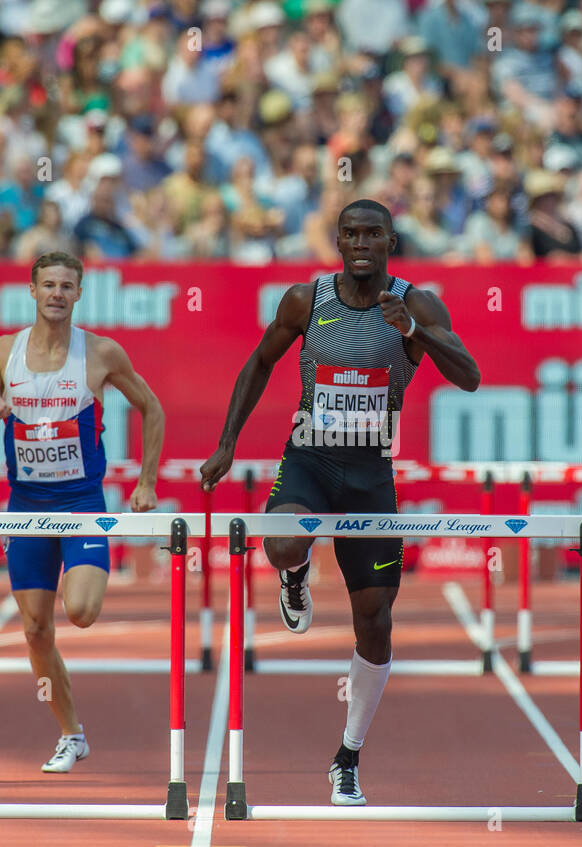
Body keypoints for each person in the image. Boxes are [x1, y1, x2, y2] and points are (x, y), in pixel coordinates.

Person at [200, 198, 480, 805]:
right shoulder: (306, 300)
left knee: (375, 622)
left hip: (371, 475)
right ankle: (294, 574)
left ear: (390, 241)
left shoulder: (417, 303)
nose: (360, 242)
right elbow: (259, 363)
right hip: (310, 460)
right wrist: (228, 444)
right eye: (350, 232)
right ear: (337, 240)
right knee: (283, 541)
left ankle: (347, 754)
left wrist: (415, 330)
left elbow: (469, 375)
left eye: (371, 233)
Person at [0, 251, 164, 772]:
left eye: (65, 286)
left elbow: (152, 408)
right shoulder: (5, 353)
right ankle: (71, 734)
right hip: (26, 507)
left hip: (81, 506)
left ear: (78, 294)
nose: (56, 293)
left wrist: (145, 482)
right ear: (32, 290)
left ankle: (73, 728)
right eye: (47, 284)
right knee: (35, 630)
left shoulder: (99, 353)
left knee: (83, 612)